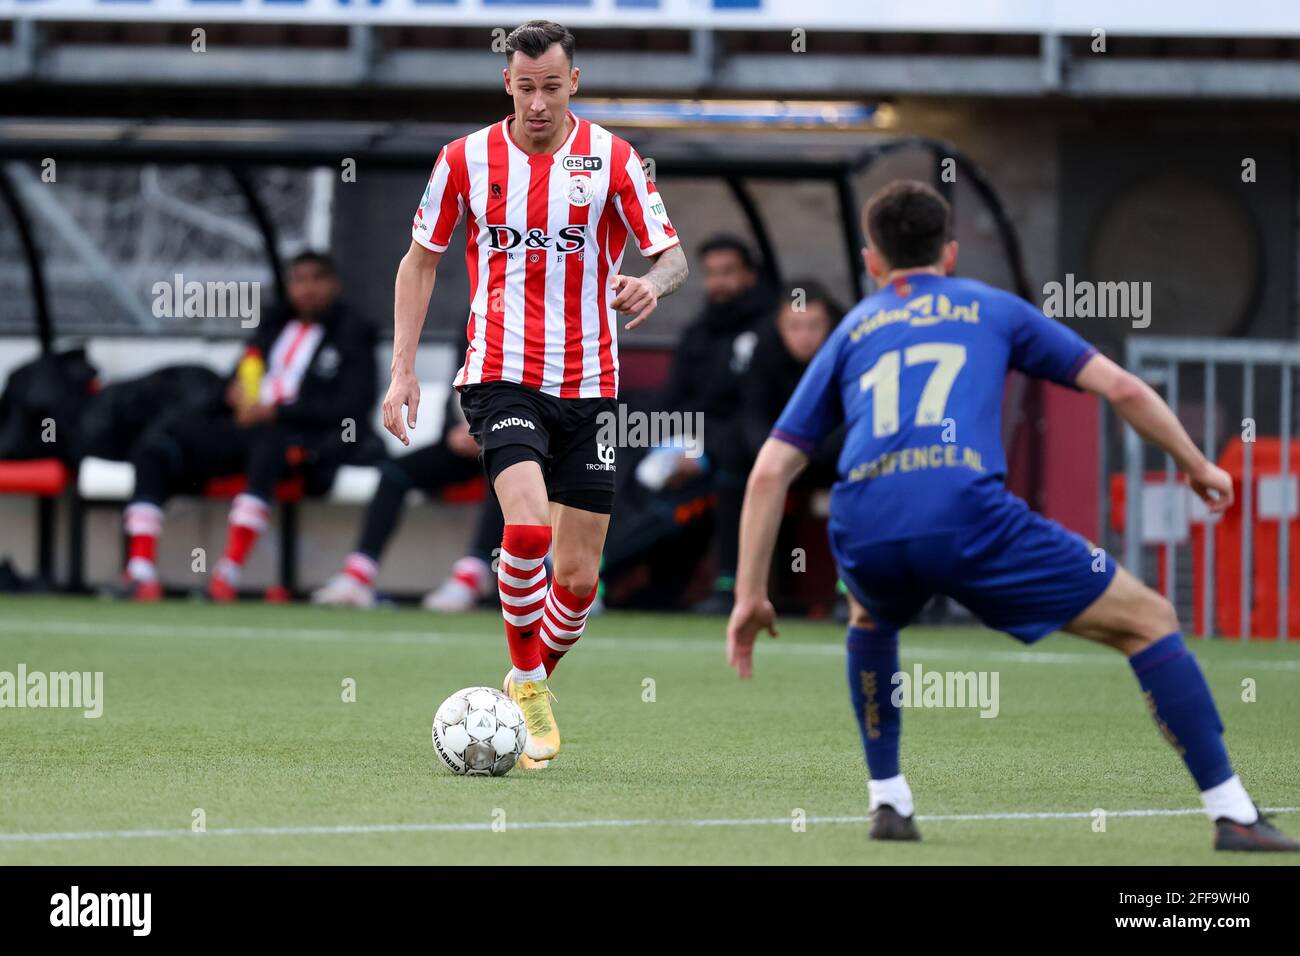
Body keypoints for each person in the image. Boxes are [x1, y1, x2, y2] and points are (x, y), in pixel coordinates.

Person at [726, 179, 1298, 852]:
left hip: (865, 518)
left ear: (872, 262)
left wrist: (749, 594)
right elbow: (1119, 386)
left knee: (870, 616)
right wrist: (1197, 464)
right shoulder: (991, 307)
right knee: (1150, 620)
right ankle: (1231, 812)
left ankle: (888, 801)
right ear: (952, 255)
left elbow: (769, 469)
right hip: (965, 511)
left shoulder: (854, 327)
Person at [382, 20, 688, 769]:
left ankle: (526, 679)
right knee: (524, 531)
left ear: (573, 83)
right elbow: (419, 262)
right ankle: (527, 683)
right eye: (526, 88)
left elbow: (672, 255)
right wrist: (401, 370)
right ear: (507, 85)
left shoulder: (613, 158)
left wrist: (650, 284)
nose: (540, 103)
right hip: (501, 374)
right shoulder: (464, 159)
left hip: (592, 385)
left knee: (579, 579)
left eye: (553, 87)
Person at [114, 252, 377, 602]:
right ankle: (141, 570)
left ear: (333, 284)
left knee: (269, 446)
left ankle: (227, 573)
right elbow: (241, 372)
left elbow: (351, 407)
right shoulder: (272, 326)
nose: (308, 289)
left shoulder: (353, 333)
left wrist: (278, 413)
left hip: (297, 436)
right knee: (158, 443)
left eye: (316, 279)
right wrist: (230, 395)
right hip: (242, 426)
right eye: (299, 280)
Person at [655, 235, 773, 612]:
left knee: (733, 459)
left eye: (728, 273)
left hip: (744, 442)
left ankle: (729, 585)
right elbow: (672, 400)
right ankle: (609, 580)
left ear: (749, 276)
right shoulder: (699, 331)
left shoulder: (769, 330)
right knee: (618, 450)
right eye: (711, 274)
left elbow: (758, 406)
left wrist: (702, 453)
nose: (718, 283)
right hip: (690, 436)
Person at [311, 389, 505, 610]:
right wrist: (453, 432)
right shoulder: (467, 352)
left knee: (504, 477)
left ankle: (472, 575)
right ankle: (359, 572)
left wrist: (489, 436)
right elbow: (455, 397)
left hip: (510, 444)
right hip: (467, 446)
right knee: (394, 472)